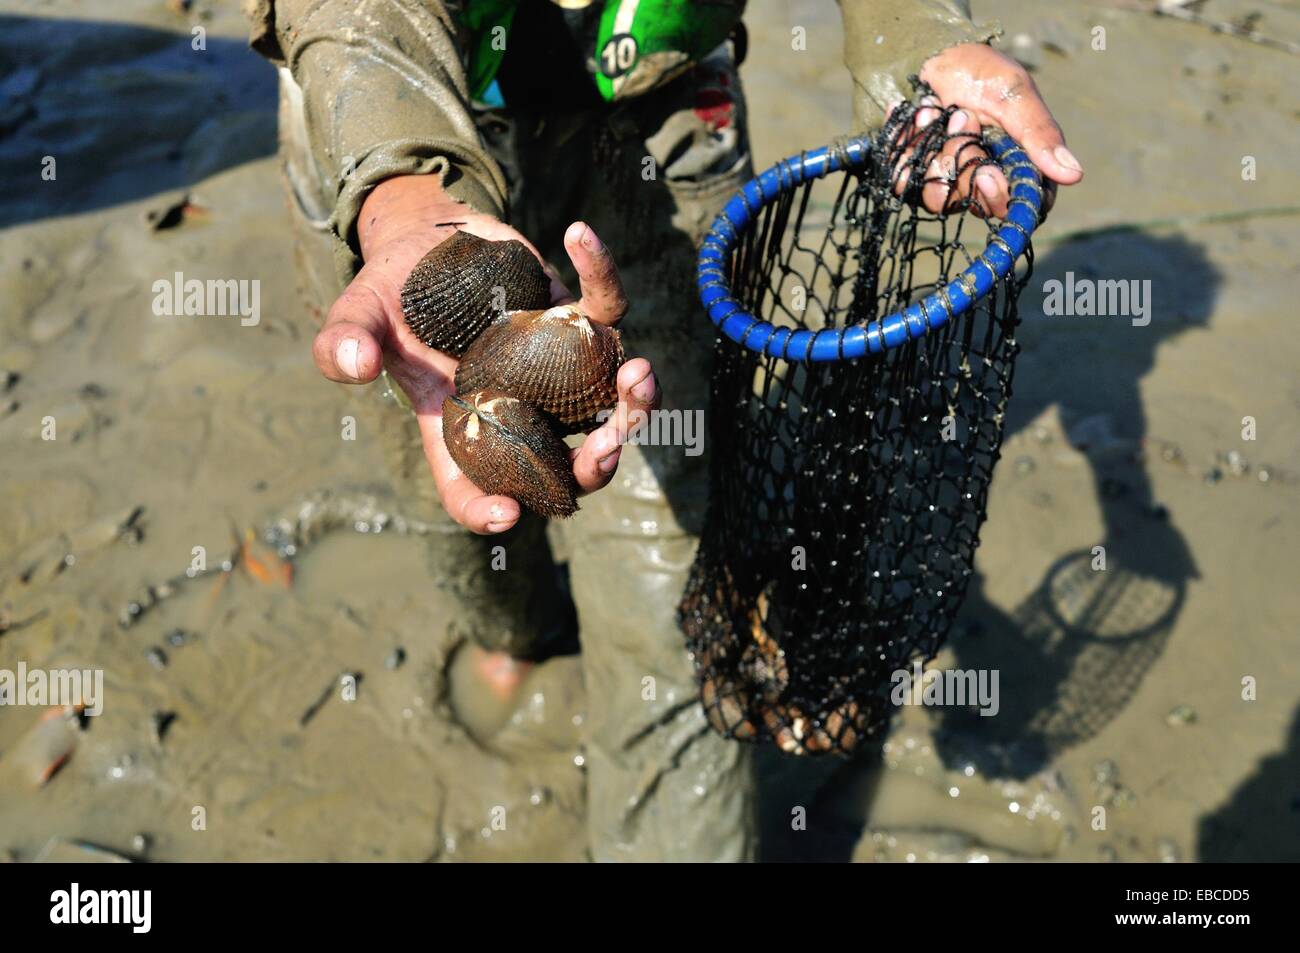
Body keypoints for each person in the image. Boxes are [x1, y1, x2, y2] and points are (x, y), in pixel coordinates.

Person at [242, 0, 1083, 862]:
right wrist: (404, 184)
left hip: (658, 101)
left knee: (670, 582)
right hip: (387, 108)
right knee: (452, 497)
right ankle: (518, 637)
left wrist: (911, 29)